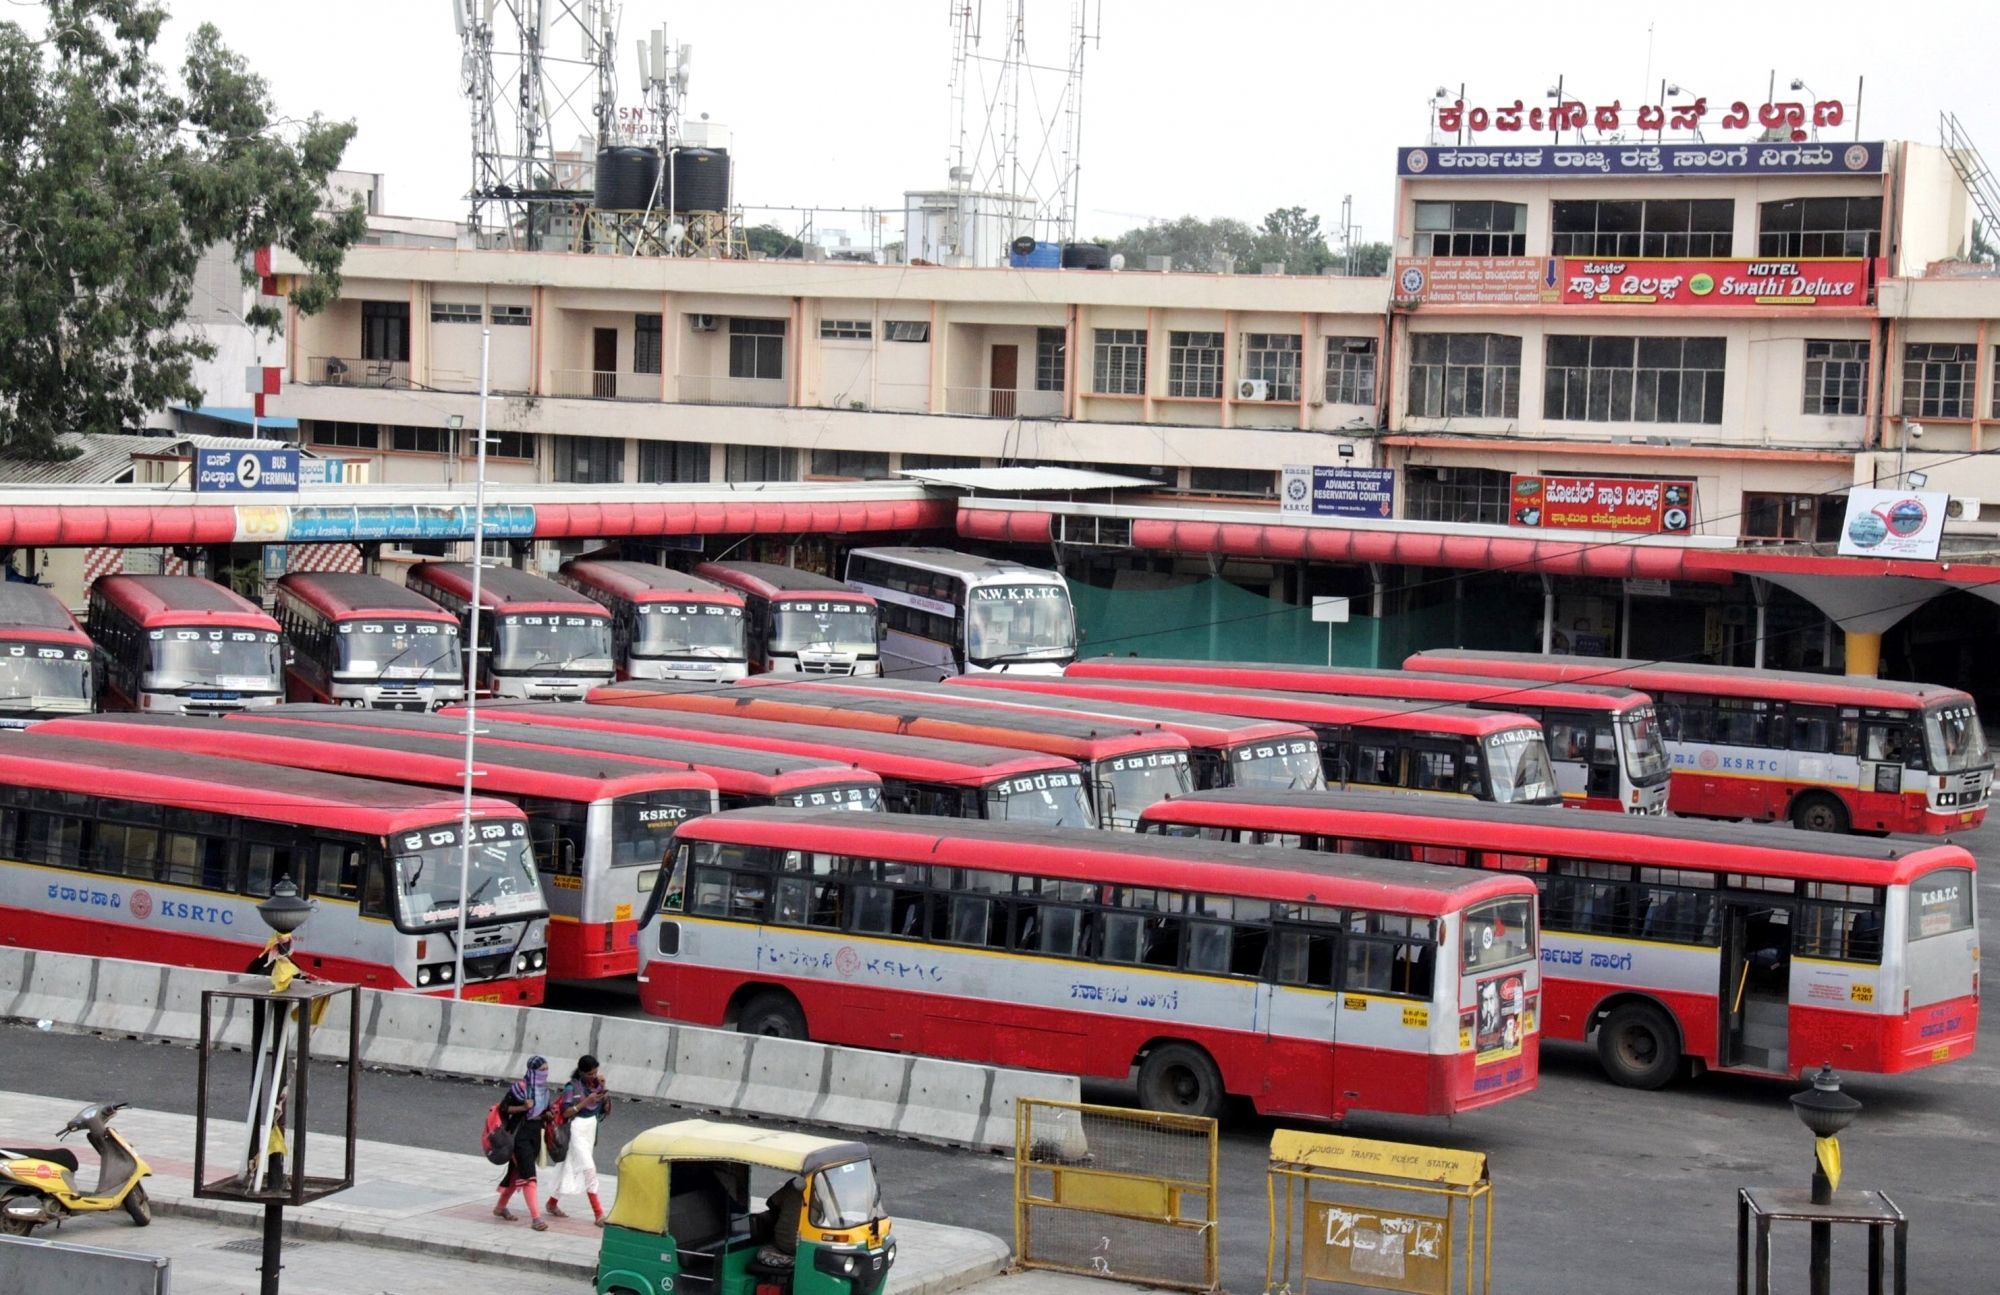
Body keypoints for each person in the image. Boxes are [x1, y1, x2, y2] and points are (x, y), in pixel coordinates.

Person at [542, 1054, 612, 1226]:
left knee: (568, 1167)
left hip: (590, 1130)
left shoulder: (596, 1085)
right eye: (590, 1074)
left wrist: (603, 1090)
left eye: (595, 1073)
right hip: (576, 1130)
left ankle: (552, 1203)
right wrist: (585, 1102)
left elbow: (605, 1110)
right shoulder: (571, 1087)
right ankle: (598, 1213)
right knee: (589, 1169)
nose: (593, 1077)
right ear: (581, 1072)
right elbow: (566, 1112)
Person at [493, 1056, 553, 1230]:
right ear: (532, 1071)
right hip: (519, 1135)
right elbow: (504, 1108)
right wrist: (523, 1108)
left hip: (535, 1134)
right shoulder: (520, 1088)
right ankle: (536, 1218)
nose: (545, 1073)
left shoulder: (544, 1090)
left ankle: (500, 1207)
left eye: (547, 1069)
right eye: (542, 1070)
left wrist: (547, 1115)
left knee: (515, 1173)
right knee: (529, 1176)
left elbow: (545, 1111)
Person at [757, 1175, 805, 1267]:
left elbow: (770, 1202)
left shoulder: (792, 1184)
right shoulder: (824, 1188)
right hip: (805, 1246)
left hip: (783, 1243)